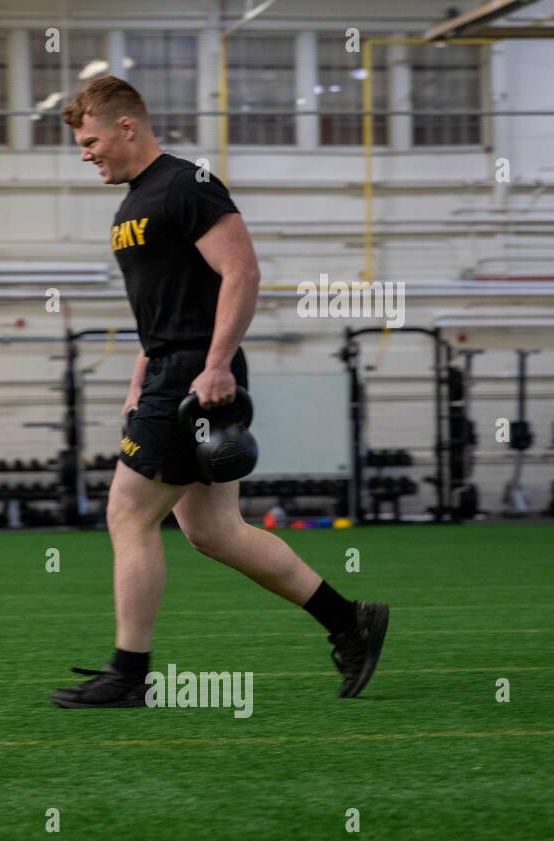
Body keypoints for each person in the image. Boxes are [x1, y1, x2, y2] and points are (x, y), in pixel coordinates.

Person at [50, 76, 388, 709]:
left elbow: (242, 270)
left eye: (91, 139)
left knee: (127, 512)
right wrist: (138, 376)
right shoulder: (133, 204)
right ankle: (350, 622)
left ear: (128, 126)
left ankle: (129, 674)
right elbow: (164, 307)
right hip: (170, 372)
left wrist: (215, 365)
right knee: (214, 532)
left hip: (195, 379)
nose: (85, 152)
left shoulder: (187, 185)